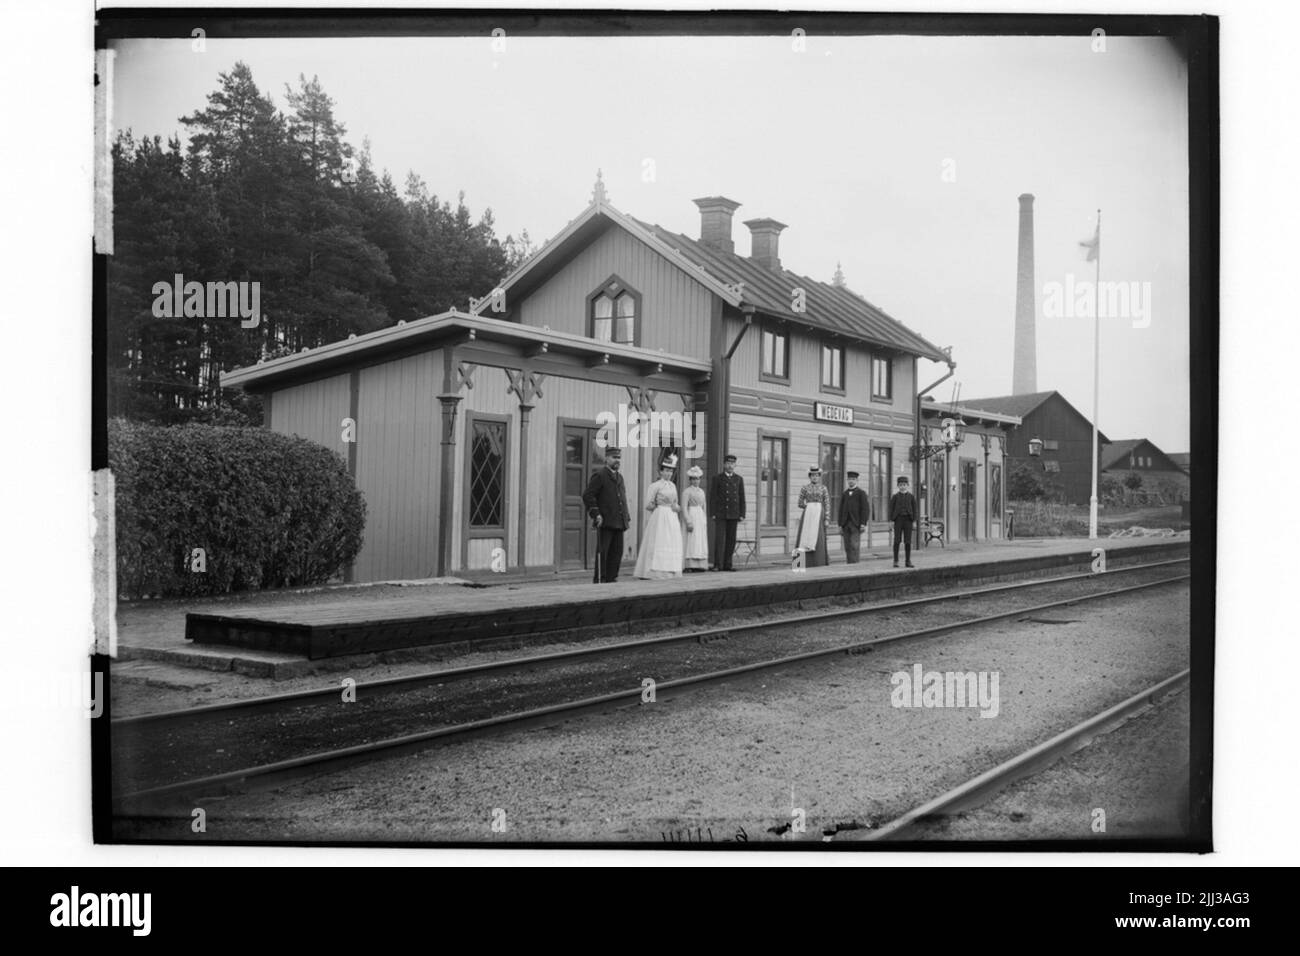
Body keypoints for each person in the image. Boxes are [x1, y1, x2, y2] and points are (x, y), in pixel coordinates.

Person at [582, 446, 631, 583]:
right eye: (614, 458)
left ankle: (612, 579)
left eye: (619, 458)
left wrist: (626, 517)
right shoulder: (600, 475)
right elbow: (588, 495)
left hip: (619, 522)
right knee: (603, 554)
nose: (617, 460)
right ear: (607, 458)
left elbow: (621, 498)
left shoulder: (619, 477)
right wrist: (596, 514)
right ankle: (600, 581)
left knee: (616, 554)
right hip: (605, 522)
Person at [634, 454, 684, 580]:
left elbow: (676, 502)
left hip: (671, 517)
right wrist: (657, 505)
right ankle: (653, 571)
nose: (668, 473)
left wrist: (677, 508)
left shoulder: (673, 486)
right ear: (661, 471)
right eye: (666, 470)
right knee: (658, 541)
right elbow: (648, 504)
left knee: (670, 542)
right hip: (660, 515)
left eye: (670, 471)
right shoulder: (655, 485)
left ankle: (669, 570)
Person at [709, 454, 746, 572]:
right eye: (728, 463)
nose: (730, 466)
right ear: (724, 464)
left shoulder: (739, 479)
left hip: (734, 513)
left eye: (732, 464)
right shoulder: (717, 478)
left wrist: (742, 513)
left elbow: (741, 497)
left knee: (731, 540)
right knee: (719, 539)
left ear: (735, 465)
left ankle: (727, 564)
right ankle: (717, 564)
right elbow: (713, 497)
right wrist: (713, 512)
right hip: (721, 513)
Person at [795, 465, 830, 567]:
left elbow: (827, 503)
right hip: (808, 515)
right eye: (813, 475)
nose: (815, 477)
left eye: (817, 475)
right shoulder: (805, 488)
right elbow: (800, 503)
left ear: (819, 477)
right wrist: (809, 508)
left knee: (818, 537)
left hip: (819, 515)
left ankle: (819, 562)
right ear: (809, 477)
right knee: (804, 536)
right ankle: (800, 564)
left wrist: (827, 518)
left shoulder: (823, 488)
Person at [682, 465, 710, 572]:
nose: (696, 481)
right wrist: (688, 520)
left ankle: (700, 564)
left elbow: (704, 506)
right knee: (691, 539)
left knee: (700, 539)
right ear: (690, 480)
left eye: (697, 479)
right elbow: (684, 507)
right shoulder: (687, 492)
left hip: (700, 516)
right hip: (691, 514)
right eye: (693, 479)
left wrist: (704, 520)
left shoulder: (702, 492)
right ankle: (689, 564)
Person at [839, 470, 871, 563]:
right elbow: (840, 509)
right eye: (849, 479)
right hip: (845, 524)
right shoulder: (844, 494)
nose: (851, 481)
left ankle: (855, 566)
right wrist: (840, 524)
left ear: (857, 480)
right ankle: (849, 564)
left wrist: (863, 523)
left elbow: (865, 509)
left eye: (853, 479)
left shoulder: (861, 493)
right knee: (847, 546)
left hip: (856, 524)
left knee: (854, 545)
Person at [890, 474, 917, 568]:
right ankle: (896, 561)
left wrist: (914, 521)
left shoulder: (911, 497)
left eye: (904, 485)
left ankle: (908, 561)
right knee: (897, 540)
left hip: (908, 520)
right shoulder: (895, 497)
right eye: (900, 485)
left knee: (908, 541)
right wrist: (891, 521)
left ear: (907, 485)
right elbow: (891, 509)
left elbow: (915, 509)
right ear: (898, 486)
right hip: (898, 520)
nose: (902, 486)